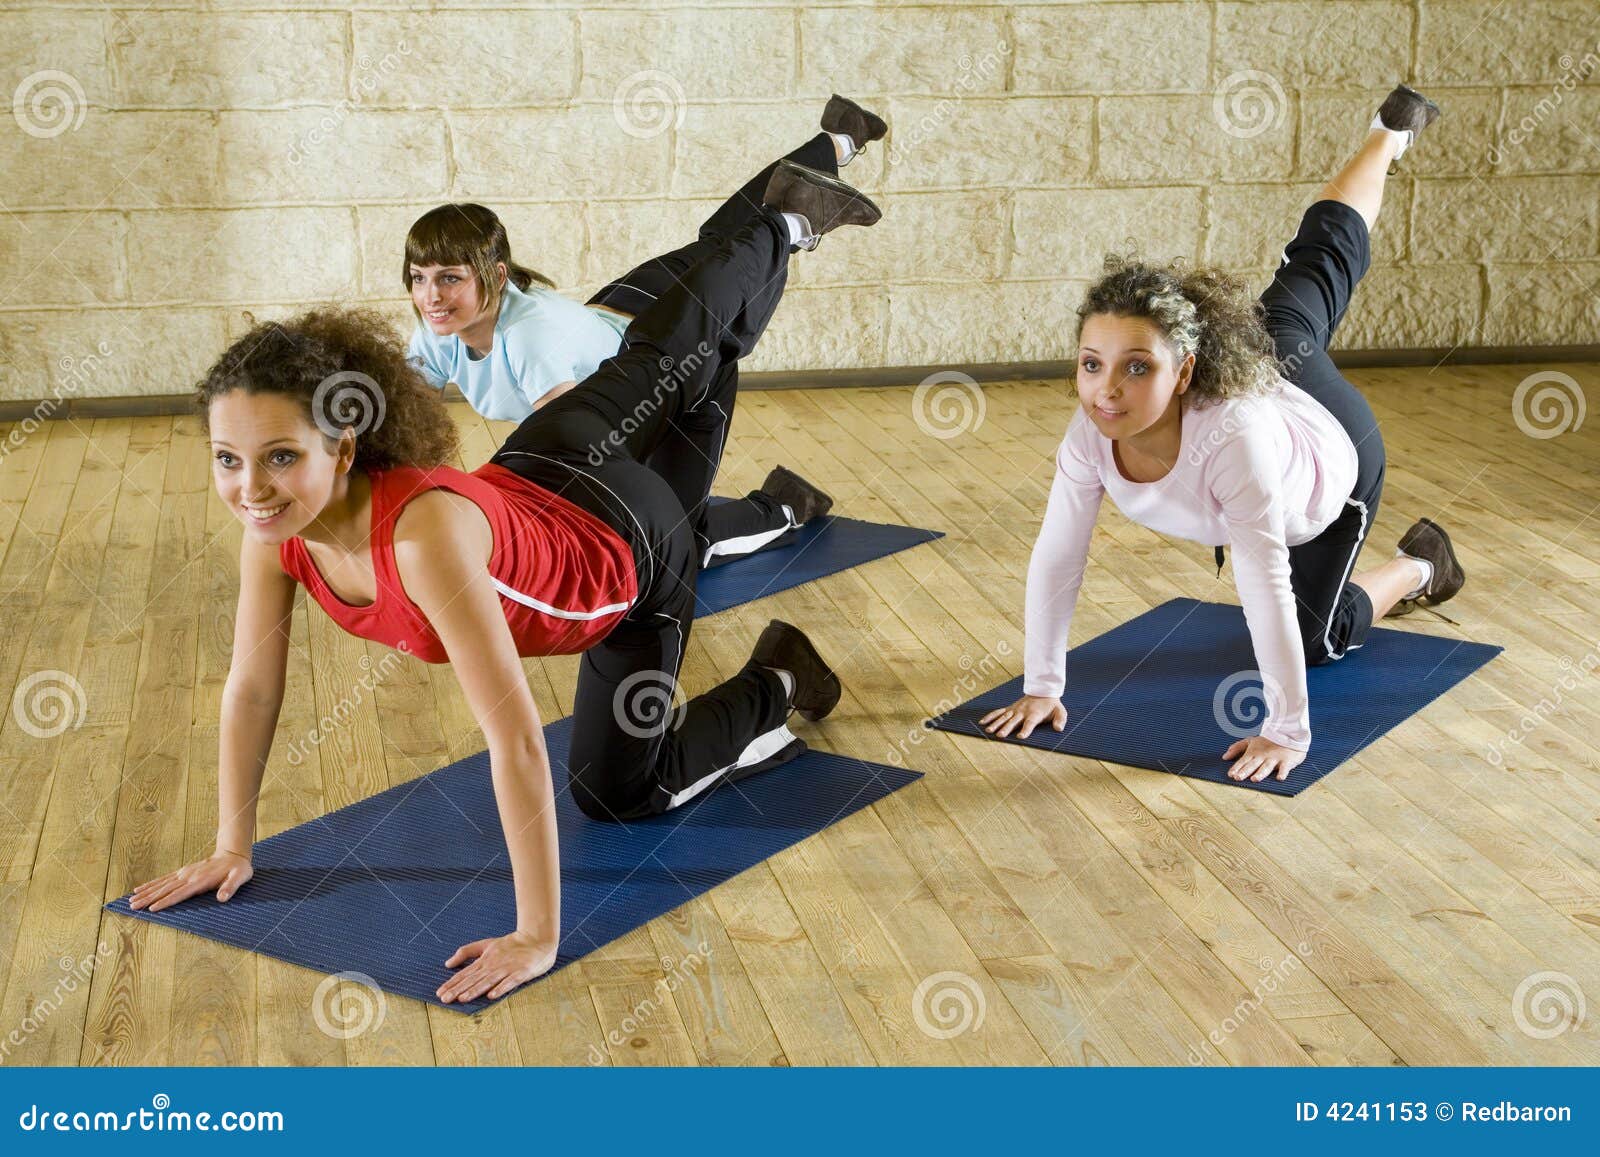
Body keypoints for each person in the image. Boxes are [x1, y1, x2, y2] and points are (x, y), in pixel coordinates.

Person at [129, 159, 883, 1006]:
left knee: (615, 792)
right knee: (664, 350)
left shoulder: (420, 544)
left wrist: (537, 934)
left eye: (279, 457)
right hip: (541, 463)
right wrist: (234, 844)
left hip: (631, 546)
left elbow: (519, 737)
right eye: (226, 460)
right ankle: (780, 225)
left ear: (342, 448)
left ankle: (778, 680)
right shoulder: (271, 536)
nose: (249, 488)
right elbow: (253, 686)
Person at [982, 84, 1466, 785]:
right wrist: (1042, 684)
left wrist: (1285, 730)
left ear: (1184, 371)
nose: (1105, 391)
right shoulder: (1095, 430)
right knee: (1315, 261)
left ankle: (1422, 564)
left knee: (1316, 639)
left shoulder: (1233, 442)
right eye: (1092, 364)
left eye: (1135, 367)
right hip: (1263, 360)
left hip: (1327, 447)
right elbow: (1059, 555)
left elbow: (1264, 582)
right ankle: (1388, 132)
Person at [403, 94, 888, 569]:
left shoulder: (529, 339)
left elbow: (570, 455)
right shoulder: (436, 331)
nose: (431, 297)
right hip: (627, 306)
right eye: (419, 278)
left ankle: (785, 506)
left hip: (670, 379)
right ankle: (838, 141)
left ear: (497, 275)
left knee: (673, 549)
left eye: (450, 278)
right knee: (719, 241)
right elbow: (406, 424)